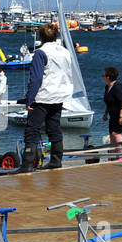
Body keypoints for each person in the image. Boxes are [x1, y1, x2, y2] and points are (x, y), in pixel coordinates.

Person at [19, 22, 74, 172]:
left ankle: (27, 165)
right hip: (60, 95)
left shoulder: (40, 52)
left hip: (43, 96)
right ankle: (56, 161)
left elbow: (36, 78)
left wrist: (29, 99)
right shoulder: (65, 51)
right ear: (56, 35)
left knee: (32, 130)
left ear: (41, 37)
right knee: (54, 128)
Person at [102, 66, 122, 150]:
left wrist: (121, 116)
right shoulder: (107, 87)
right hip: (113, 113)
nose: (102, 77)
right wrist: (105, 114)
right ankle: (113, 154)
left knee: (116, 133)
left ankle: (120, 154)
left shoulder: (118, 87)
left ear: (108, 77)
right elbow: (109, 102)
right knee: (111, 133)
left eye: (103, 75)